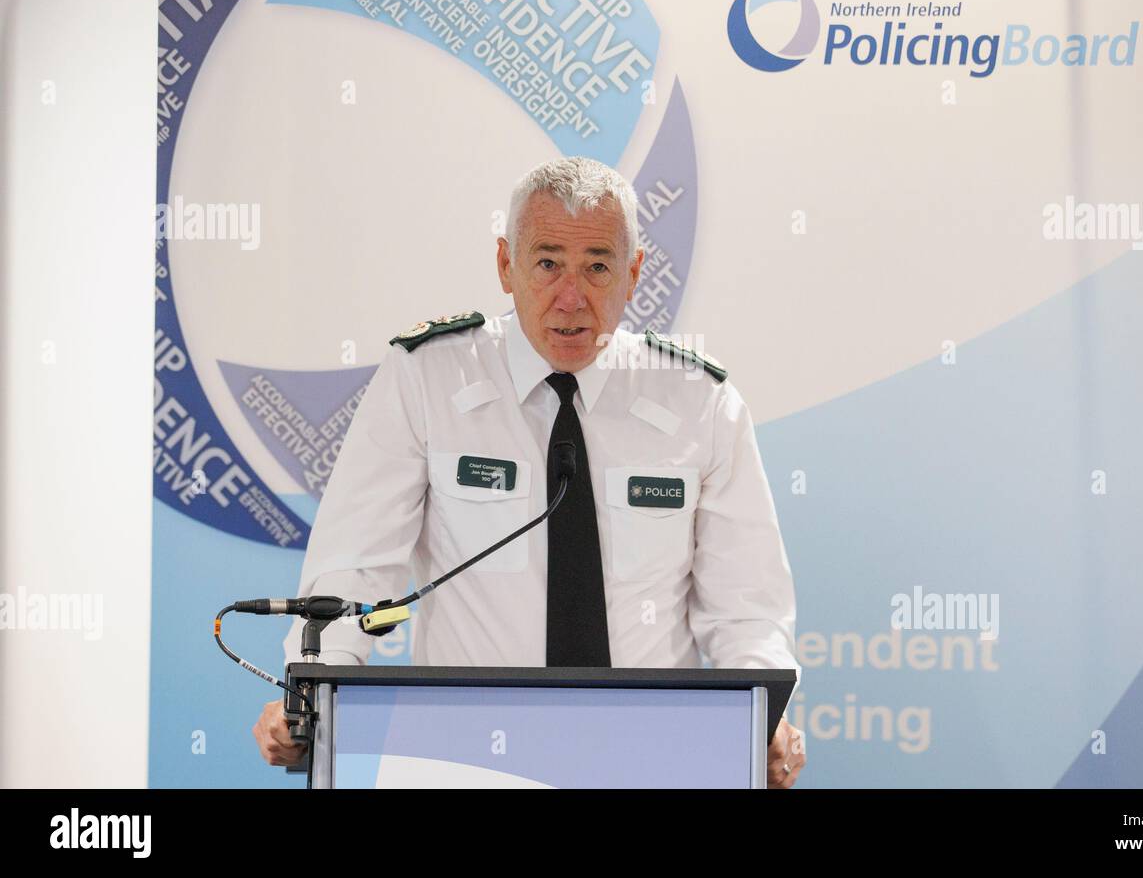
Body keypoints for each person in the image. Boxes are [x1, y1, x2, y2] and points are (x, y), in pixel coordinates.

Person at [253, 157, 806, 786]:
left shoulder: (698, 401)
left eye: (597, 266)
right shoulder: (429, 378)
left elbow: (746, 607)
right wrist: (310, 699)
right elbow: (353, 571)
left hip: (648, 755)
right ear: (504, 266)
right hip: (461, 757)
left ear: (633, 273)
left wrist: (766, 717)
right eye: (547, 264)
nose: (570, 298)